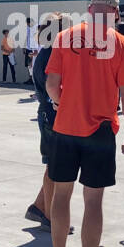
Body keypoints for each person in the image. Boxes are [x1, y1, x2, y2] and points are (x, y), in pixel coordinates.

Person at [43, 0, 124, 247]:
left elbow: (51, 85)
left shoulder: (65, 38)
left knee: (60, 196)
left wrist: (63, 104)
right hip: (99, 130)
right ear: (116, 13)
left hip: (66, 127)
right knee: (93, 200)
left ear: (89, 9)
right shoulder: (122, 45)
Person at [25, 13, 74, 234]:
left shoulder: (48, 52)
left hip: (49, 114)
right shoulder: (50, 54)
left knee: (55, 165)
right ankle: (49, 216)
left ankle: (39, 207)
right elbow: (52, 88)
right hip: (51, 115)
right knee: (55, 166)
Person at [23, 17, 40, 84]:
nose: (27, 25)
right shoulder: (28, 28)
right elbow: (26, 37)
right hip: (28, 48)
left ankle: (34, 79)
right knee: (28, 65)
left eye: (27, 23)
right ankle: (30, 78)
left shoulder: (36, 28)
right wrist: (24, 47)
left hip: (34, 49)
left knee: (32, 64)